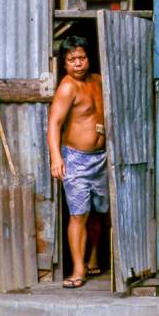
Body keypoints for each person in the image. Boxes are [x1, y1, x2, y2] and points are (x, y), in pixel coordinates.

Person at [46, 35, 107, 289]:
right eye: (72, 60)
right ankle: (78, 269)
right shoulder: (68, 87)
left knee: (99, 213)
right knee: (79, 214)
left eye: (82, 58)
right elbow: (54, 124)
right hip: (77, 159)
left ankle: (93, 257)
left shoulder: (98, 81)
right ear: (65, 64)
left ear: (89, 58)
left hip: (102, 158)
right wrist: (56, 157)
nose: (78, 63)